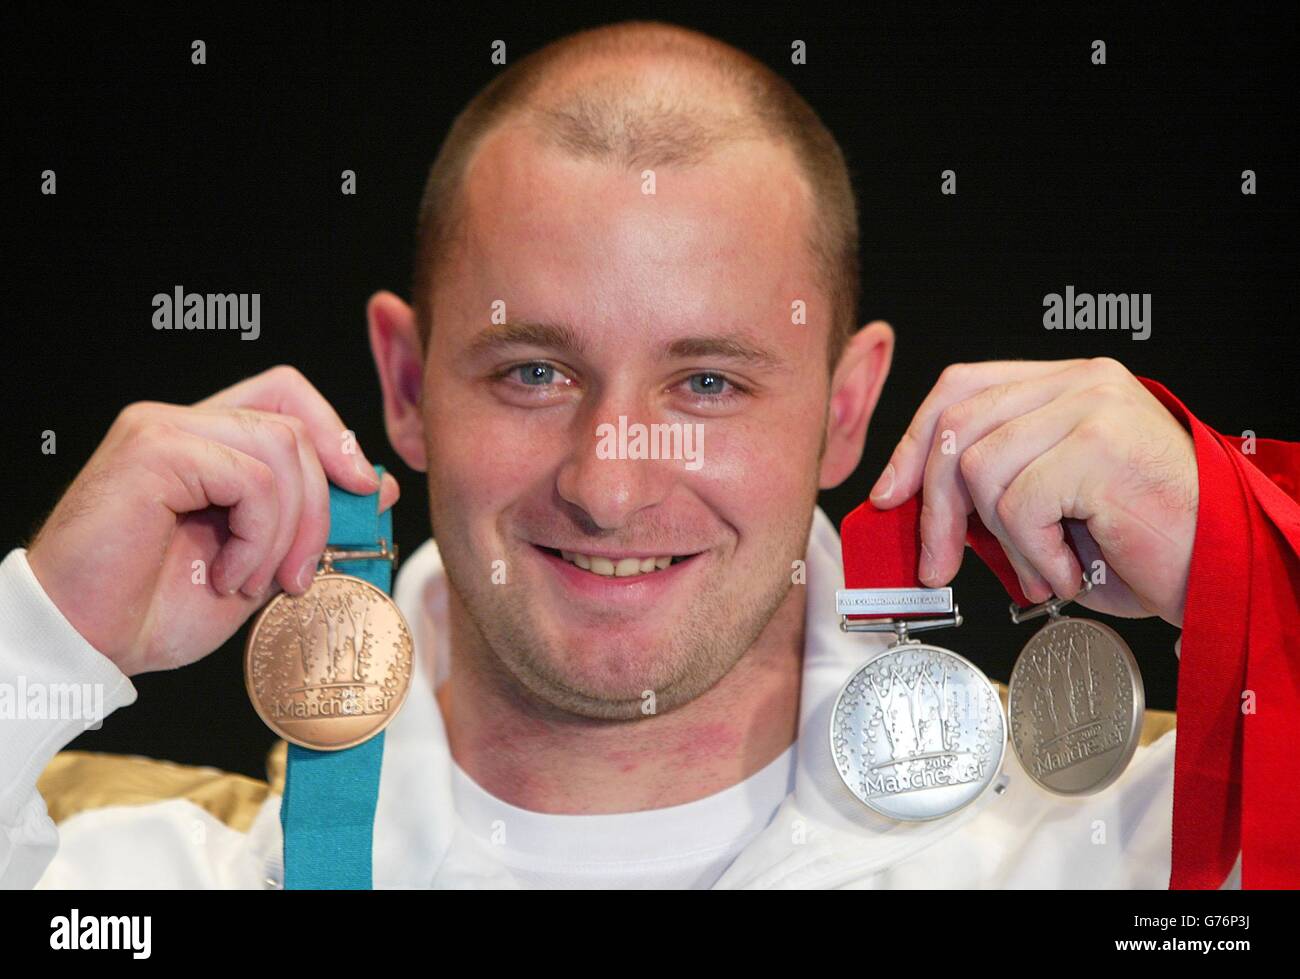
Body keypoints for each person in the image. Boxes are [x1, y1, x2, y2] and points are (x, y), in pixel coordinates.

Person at [2, 20, 1295, 890]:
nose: (609, 484)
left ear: (848, 412)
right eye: (534, 372)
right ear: (405, 385)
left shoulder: (1116, 857)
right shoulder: (155, 885)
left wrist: (1247, 558)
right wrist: (40, 641)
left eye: (710, 381)